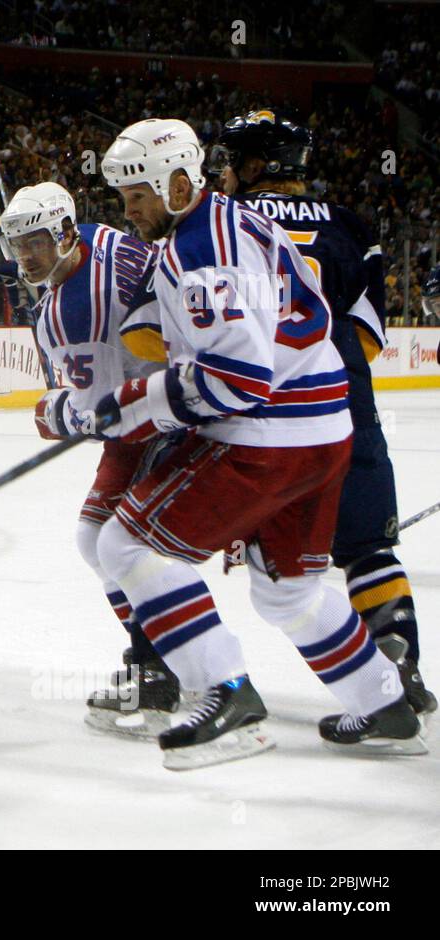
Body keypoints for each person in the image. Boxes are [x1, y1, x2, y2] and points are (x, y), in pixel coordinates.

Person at [91, 118, 422, 767]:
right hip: (328, 427)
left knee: (124, 542)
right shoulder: (221, 224)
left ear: (179, 183)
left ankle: (227, 694)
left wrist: (137, 404)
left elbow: (239, 380)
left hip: (274, 433)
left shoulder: (200, 249)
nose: (127, 211)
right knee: (287, 591)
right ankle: (381, 697)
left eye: (137, 195)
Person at [212, 108, 435, 718]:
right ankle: (398, 671)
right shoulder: (348, 225)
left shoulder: (222, 223)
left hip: (259, 418)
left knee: (178, 543)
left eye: (233, 159)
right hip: (346, 409)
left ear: (258, 163)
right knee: (368, 548)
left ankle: (175, 670)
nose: (224, 172)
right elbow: (365, 336)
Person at [0, 181, 169, 738]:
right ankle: (158, 652)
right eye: (18, 245)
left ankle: (158, 666)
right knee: (95, 537)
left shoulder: (69, 312)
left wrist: (56, 415)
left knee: (125, 544)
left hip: (162, 421)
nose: (26, 256)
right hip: (153, 411)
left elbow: (104, 410)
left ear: (66, 231)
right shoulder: (102, 240)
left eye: (37, 242)